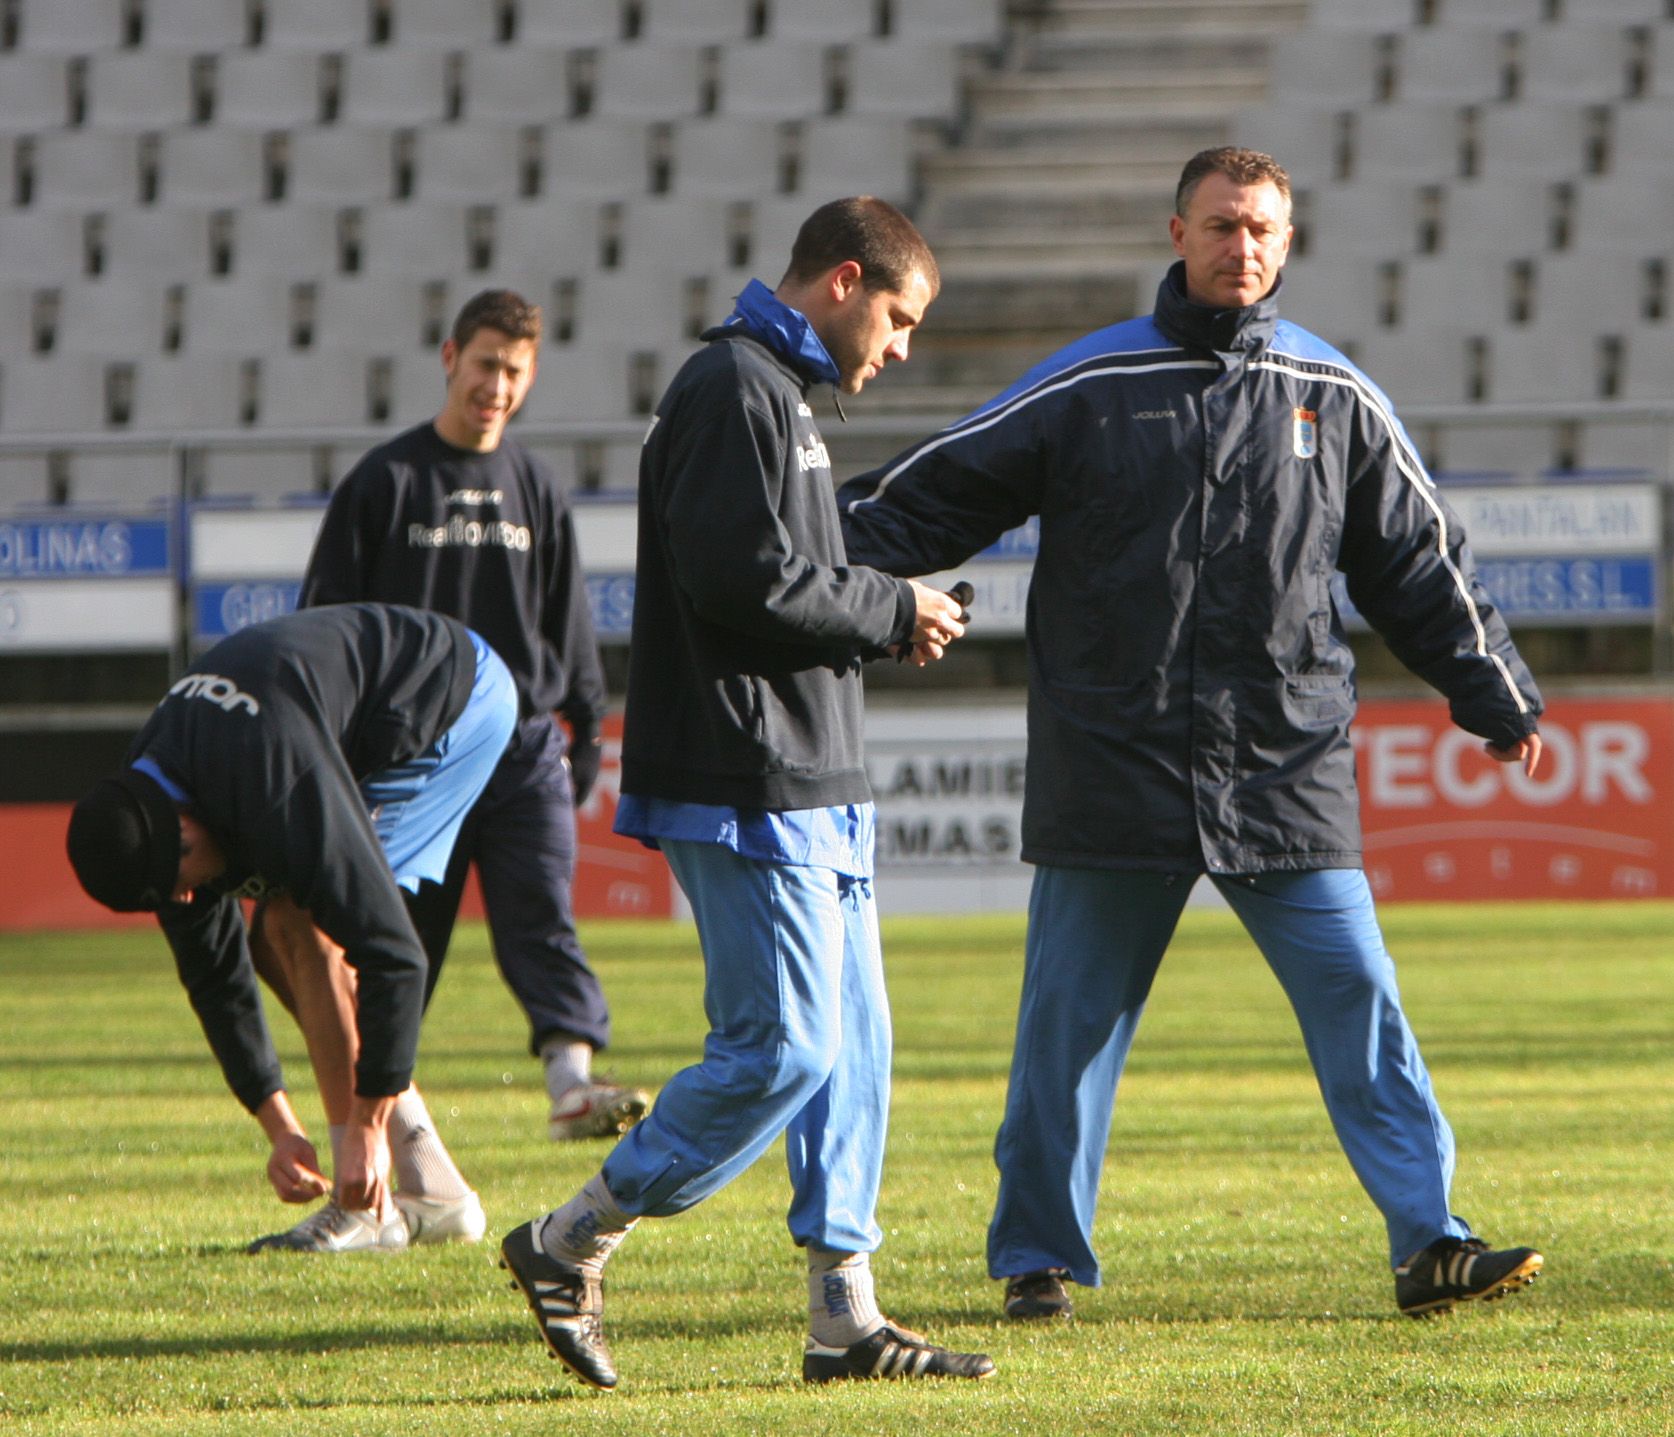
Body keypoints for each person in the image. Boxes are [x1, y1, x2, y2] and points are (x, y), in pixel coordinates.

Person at [837, 147, 1548, 1322]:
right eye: (1221, 226)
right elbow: (932, 492)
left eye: (1262, 229)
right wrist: (792, 550)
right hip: (1113, 759)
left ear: (1287, 242)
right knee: (1068, 1029)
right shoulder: (1086, 382)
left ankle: (1433, 1244)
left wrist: (1499, 691)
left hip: (1287, 764)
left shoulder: (1335, 392)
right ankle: (1035, 1259)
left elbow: (1420, 561)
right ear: (1178, 232)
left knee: (1360, 1002)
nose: (1243, 248)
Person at [497, 197, 994, 1390]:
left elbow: (795, 575)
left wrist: (888, 614)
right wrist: (891, 607)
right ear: (840, 282)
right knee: (781, 1049)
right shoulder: (732, 387)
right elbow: (746, 582)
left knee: (853, 1055)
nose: (901, 347)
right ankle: (570, 1240)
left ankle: (844, 1317)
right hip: (748, 771)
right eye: (899, 317)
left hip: (819, 768)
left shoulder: (783, 398)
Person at [301, 288, 647, 1144]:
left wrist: (588, 727)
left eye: (516, 371)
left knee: (542, 914)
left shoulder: (534, 483)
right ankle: (386, 1115)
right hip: (415, 758)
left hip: (525, 748)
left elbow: (568, 622)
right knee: (398, 942)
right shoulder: (384, 482)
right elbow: (325, 625)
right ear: (451, 358)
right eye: (486, 363)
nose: (498, 384)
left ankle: (571, 1079)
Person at [65, 603, 514, 1252]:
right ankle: (435, 1188)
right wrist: (278, 1125)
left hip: (454, 697)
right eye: (170, 893)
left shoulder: (271, 773)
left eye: (181, 878)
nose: (187, 895)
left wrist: (363, 1124)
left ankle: (368, 1207)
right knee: (276, 947)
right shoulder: (152, 811)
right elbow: (215, 975)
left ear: (187, 826)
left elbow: (394, 954)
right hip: (341, 712)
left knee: (304, 923)